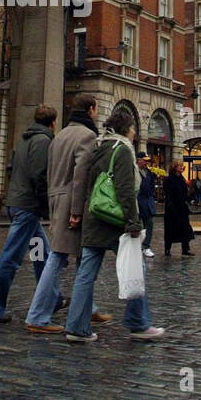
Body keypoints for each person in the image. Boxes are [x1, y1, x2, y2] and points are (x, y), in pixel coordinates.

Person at [64, 109, 164, 342]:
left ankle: (77, 327)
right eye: (133, 129)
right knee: (134, 272)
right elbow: (125, 189)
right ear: (127, 129)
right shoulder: (122, 151)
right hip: (115, 222)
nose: (134, 133)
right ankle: (139, 323)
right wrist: (133, 222)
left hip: (94, 218)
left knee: (85, 276)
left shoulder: (99, 147)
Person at [24, 94, 111, 333]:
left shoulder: (59, 134)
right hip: (73, 203)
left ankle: (88, 308)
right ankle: (37, 316)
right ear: (91, 110)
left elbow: (51, 173)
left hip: (56, 200)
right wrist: (75, 211)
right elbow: (81, 175)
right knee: (58, 257)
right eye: (96, 109)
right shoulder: (87, 135)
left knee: (84, 257)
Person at [0, 105, 57, 323]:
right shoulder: (44, 142)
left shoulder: (23, 140)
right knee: (11, 258)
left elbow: (11, 169)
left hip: (19, 204)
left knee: (41, 253)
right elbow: (40, 176)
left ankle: (51, 296)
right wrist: (45, 207)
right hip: (28, 208)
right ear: (53, 123)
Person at [163, 161, 194, 257]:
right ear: (174, 167)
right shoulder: (169, 179)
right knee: (170, 229)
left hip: (182, 208)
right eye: (179, 166)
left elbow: (185, 193)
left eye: (182, 166)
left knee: (185, 228)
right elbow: (168, 194)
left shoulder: (182, 179)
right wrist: (171, 206)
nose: (182, 167)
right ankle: (167, 249)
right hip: (172, 208)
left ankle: (185, 249)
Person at [136, 153, 157, 258]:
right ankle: (135, 247)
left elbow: (152, 186)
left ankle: (146, 246)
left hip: (147, 202)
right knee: (135, 225)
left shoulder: (149, 172)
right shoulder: (133, 171)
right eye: (145, 160)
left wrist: (151, 197)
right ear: (139, 160)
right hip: (136, 202)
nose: (147, 162)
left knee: (149, 224)